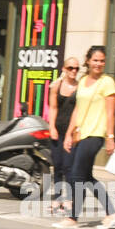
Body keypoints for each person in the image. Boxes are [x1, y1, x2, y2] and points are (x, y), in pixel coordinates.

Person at [58, 45, 115, 229]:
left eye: (102, 60)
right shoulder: (83, 80)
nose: (99, 64)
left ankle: (74, 217)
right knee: (84, 176)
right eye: (95, 60)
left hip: (96, 134)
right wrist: (69, 134)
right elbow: (77, 110)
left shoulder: (107, 82)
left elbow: (110, 113)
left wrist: (110, 137)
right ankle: (109, 213)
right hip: (82, 133)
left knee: (78, 174)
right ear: (88, 61)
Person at [45, 56, 80, 215]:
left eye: (76, 68)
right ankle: (57, 199)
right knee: (57, 165)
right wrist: (51, 127)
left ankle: (70, 200)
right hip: (57, 130)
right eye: (71, 68)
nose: (74, 71)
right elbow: (53, 108)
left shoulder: (80, 88)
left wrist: (73, 133)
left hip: (71, 132)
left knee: (68, 167)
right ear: (64, 69)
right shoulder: (56, 86)